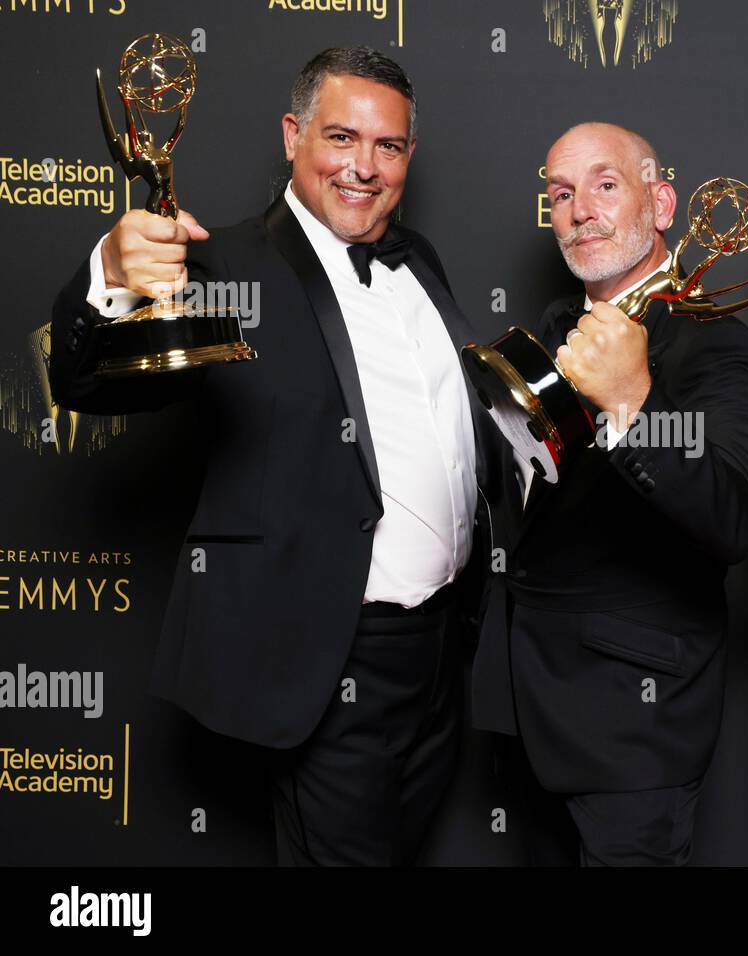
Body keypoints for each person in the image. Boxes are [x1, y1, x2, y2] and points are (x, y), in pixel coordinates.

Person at [49, 47, 508, 866]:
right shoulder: (220, 266)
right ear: (293, 135)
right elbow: (82, 380)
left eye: (390, 147)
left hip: (439, 653)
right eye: (341, 138)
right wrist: (109, 277)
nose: (364, 168)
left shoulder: (420, 260)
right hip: (326, 659)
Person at [470, 122, 748, 866]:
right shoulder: (552, 329)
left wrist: (633, 404)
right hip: (526, 703)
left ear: (660, 202)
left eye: (605, 185)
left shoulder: (718, 343)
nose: (579, 210)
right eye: (562, 193)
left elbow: (733, 522)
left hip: (636, 720)